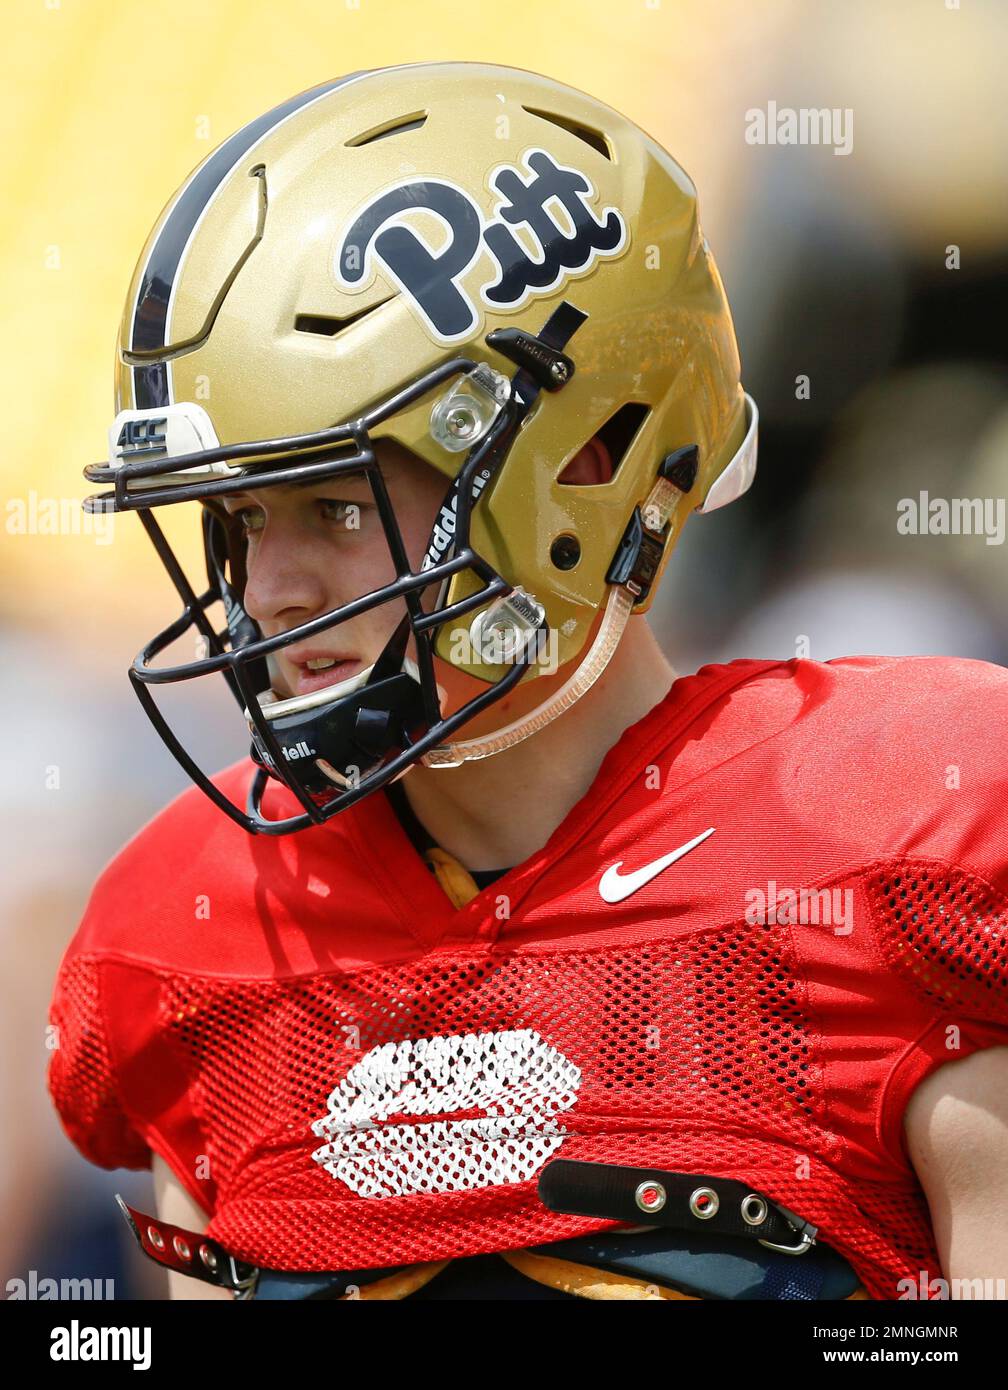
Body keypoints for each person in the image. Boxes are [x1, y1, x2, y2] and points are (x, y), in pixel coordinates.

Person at [48, 62, 1007, 1301]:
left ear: (586, 462)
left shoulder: (901, 833)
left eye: (335, 505)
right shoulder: (201, 930)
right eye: (237, 520)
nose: (269, 588)